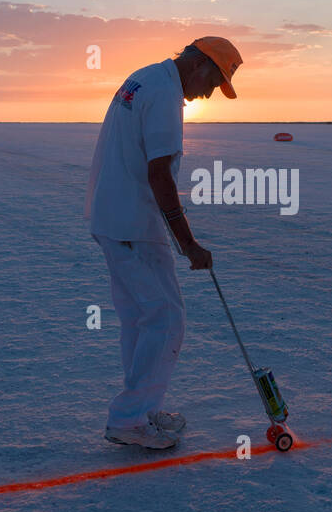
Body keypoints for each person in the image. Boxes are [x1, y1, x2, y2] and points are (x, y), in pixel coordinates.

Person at [84, 37, 243, 449]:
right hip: (133, 223)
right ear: (200, 65)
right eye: (214, 83)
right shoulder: (165, 95)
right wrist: (188, 243)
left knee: (141, 321)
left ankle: (141, 412)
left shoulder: (146, 78)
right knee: (166, 319)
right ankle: (131, 419)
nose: (209, 94)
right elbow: (159, 174)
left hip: (114, 216)